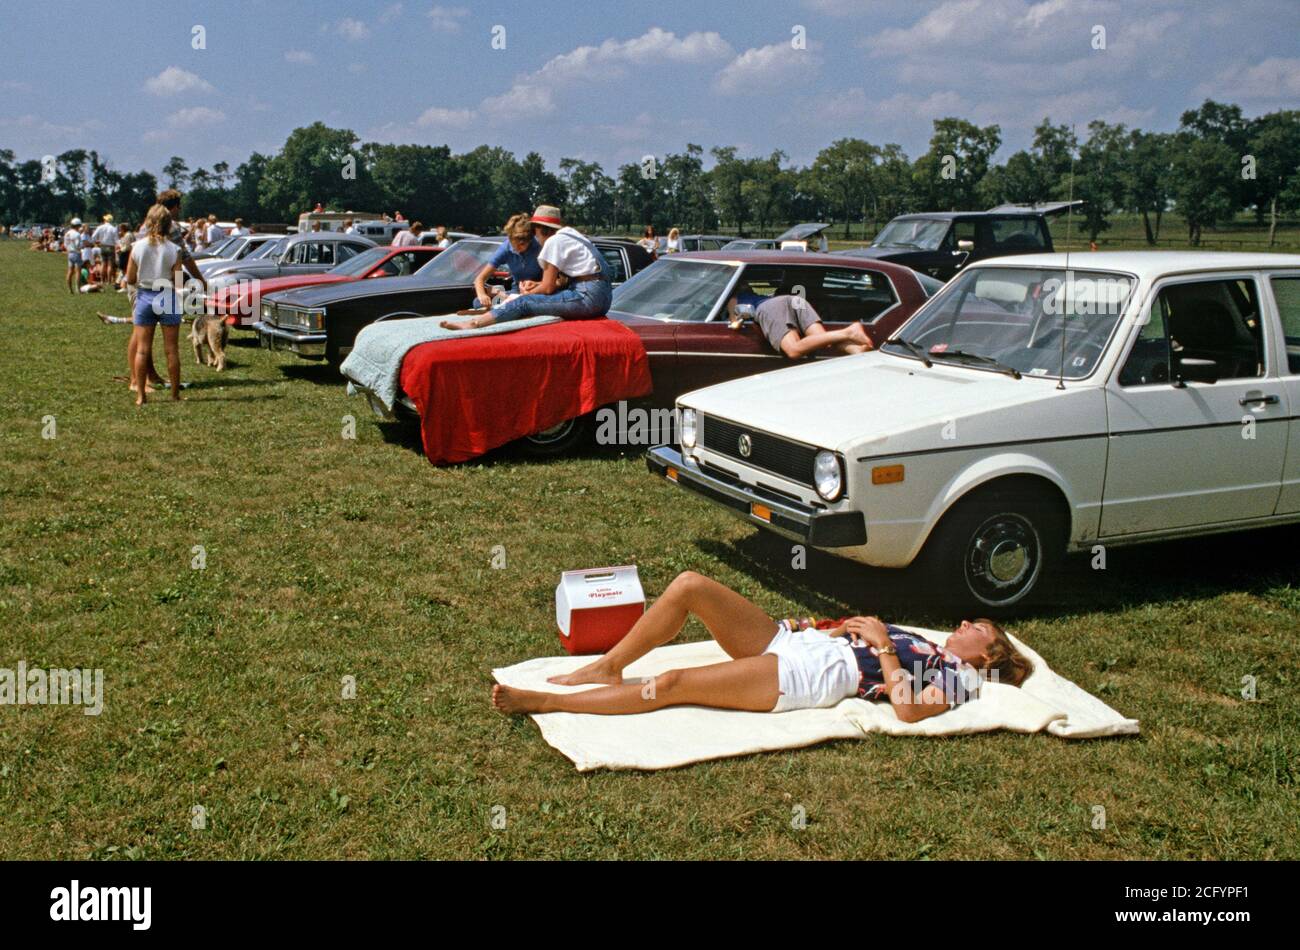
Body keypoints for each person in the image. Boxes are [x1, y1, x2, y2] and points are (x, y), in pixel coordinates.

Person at [492, 571, 1032, 719]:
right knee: (689, 586)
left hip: (808, 679)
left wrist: (885, 647)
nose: (964, 623)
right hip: (796, 645)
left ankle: (547, 701)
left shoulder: (957, 681)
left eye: (978, 628)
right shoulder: (929, 642)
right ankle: (608, 667)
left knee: (674, 684)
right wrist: (823, 626)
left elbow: (910, 710)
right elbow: (848, 629)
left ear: (989, 655)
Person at [442, 205, 613, 330]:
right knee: (525, 299)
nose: (535, 236)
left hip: (587, 296)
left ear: (541, 229)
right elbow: (556, 282)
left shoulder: (554, 241)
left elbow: (547, 288)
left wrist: (522, 296)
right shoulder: (571, 234)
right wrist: (535, 286)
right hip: (603, 295)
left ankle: (474, 324)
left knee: (523, 302)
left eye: (535, 231)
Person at [126, 204, 184, 405]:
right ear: (169, 225)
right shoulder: (175, 250)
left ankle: (141, 396)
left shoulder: (138, 247)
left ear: (148, 222)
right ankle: (175, 394)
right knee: (172, 350)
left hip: (145, 297)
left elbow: (130, 277)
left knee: (142, 349)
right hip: (167, 295)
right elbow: (178, 281)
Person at [726, 283, 873, 358]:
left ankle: (849, 332)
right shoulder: (758, 295)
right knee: (822, 340)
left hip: (770, 307)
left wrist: (735, 320)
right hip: (795, 300)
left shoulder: (733, 298)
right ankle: (857, 350)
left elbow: (734, 323)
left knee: (793, 350)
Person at [92, 214, 118, 286]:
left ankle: (102, 280)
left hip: (102, 246)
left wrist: (97, 242)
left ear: (105, 220)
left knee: (103, 264)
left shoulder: (100, 227)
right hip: (110, 247)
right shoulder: (113, 228)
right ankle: (109, 281)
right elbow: (116, 240)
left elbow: (93, 237)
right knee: (110, 264)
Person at [63, 218, 84, 293]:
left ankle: (69, 289)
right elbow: (79, 245)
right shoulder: (77, 234)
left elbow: (65, 244)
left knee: (70, 271)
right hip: (76, 253)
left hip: (70, 253)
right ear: (77, 226)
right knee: (78, 271)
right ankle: (78, 289)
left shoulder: (67, 233)